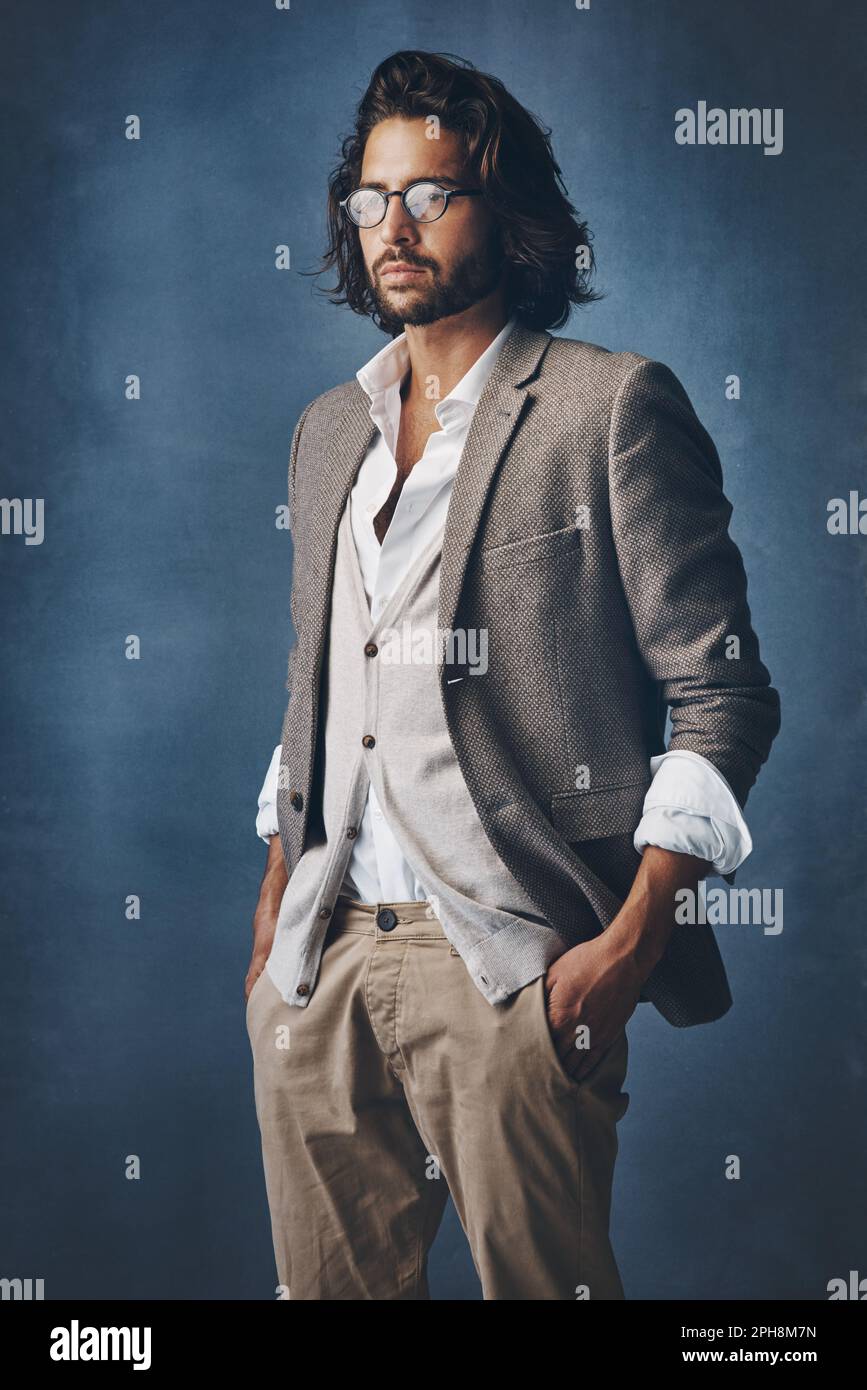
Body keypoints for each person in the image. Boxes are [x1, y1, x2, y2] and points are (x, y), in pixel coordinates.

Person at [244, 49, 780, 1301]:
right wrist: (278, 893)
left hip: (510, 964)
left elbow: (724, 691)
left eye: (432, 194)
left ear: (510, 211)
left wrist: (628, 948)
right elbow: (319, 683)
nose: (395, 227)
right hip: (317, 966)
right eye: (371, 200)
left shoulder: (609, 408)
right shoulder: (329, 431)